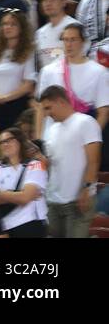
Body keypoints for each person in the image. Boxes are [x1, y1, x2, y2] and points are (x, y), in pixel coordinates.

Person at [39, 85, 102, 238]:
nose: (47, 114)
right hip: (53, 200)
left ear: (61, 101)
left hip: (77, 199)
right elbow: (50, 162)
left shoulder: (86, 122)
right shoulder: (51, 130)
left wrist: (87, 189)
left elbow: (93, 160)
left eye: (48, 108)